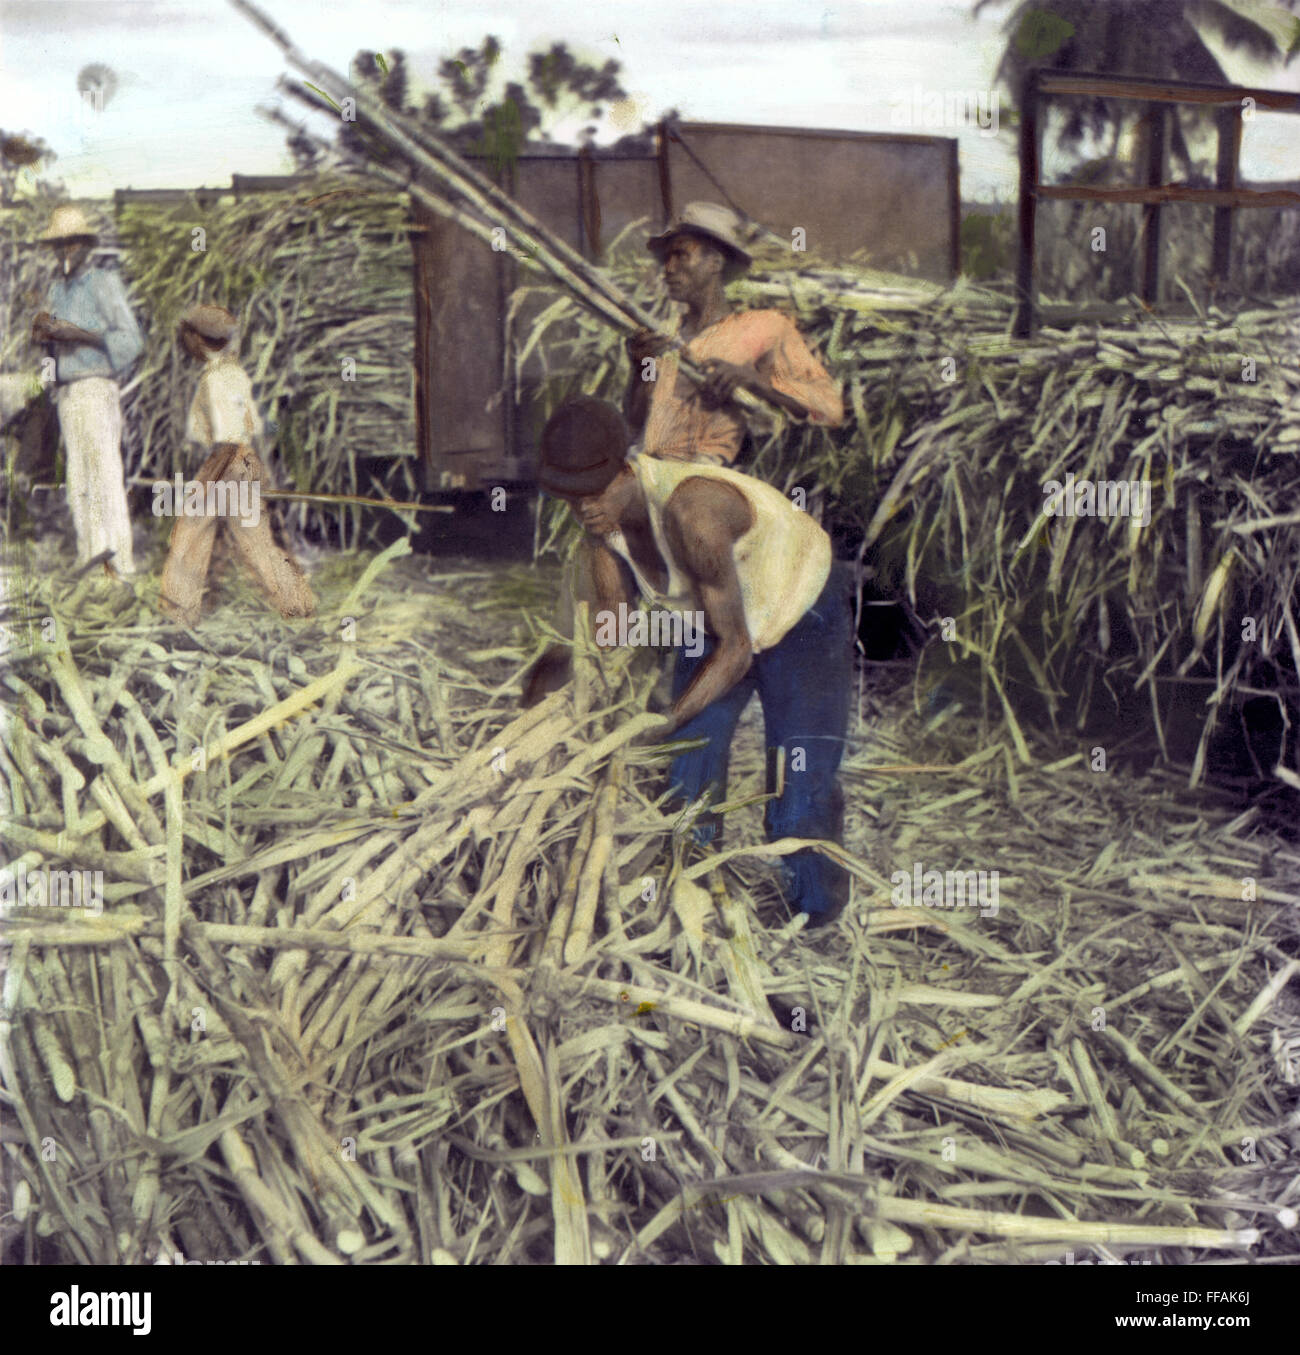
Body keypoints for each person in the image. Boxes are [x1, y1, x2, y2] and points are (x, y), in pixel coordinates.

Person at [524, 396, 853, 927]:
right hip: (714, 619)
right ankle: (693, 899)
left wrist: (663, 718)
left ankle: (815, 918)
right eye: (570, 497)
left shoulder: (691, 511)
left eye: (595, 489)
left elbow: (737, 650)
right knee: (686, 773)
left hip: (800, 610)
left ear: (626, 468)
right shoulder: (599, 533)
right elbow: (612, 635)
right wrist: (579, 709)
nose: (584, 508)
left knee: (797, 787)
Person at [623, 202, 843, 467]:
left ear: (715, 262)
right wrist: (639, 367)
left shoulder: (764, 326)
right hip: (647, 472)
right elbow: (635, 422)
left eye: (681, 255)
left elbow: (829, 407)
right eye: (667, 258)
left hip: (709, 482)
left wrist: (754, 382)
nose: (668, 268)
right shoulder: (665, 336)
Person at [159, 304, 315, 626]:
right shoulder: (237, 374)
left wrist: (215, 473)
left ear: (198, 340)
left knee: (190, 535)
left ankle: (178, 611)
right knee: (256, 540)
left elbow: (226, 430)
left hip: (226, 459)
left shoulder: (214, 380)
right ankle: (296, 605)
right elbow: (254, 424)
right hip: (245, 459)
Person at [30, 204, 144, 575]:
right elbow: (50, 345)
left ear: (85, 245)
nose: (65, 251)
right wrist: (45, 340)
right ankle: (92, 560)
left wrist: (77, 334)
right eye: (59, 245)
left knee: (105, 474)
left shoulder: (102, 284)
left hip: (96, 386)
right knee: (78, 479)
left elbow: (130, 340)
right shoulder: (56, 291)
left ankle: (119, 565)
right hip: (68, 391)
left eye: (72, 244)